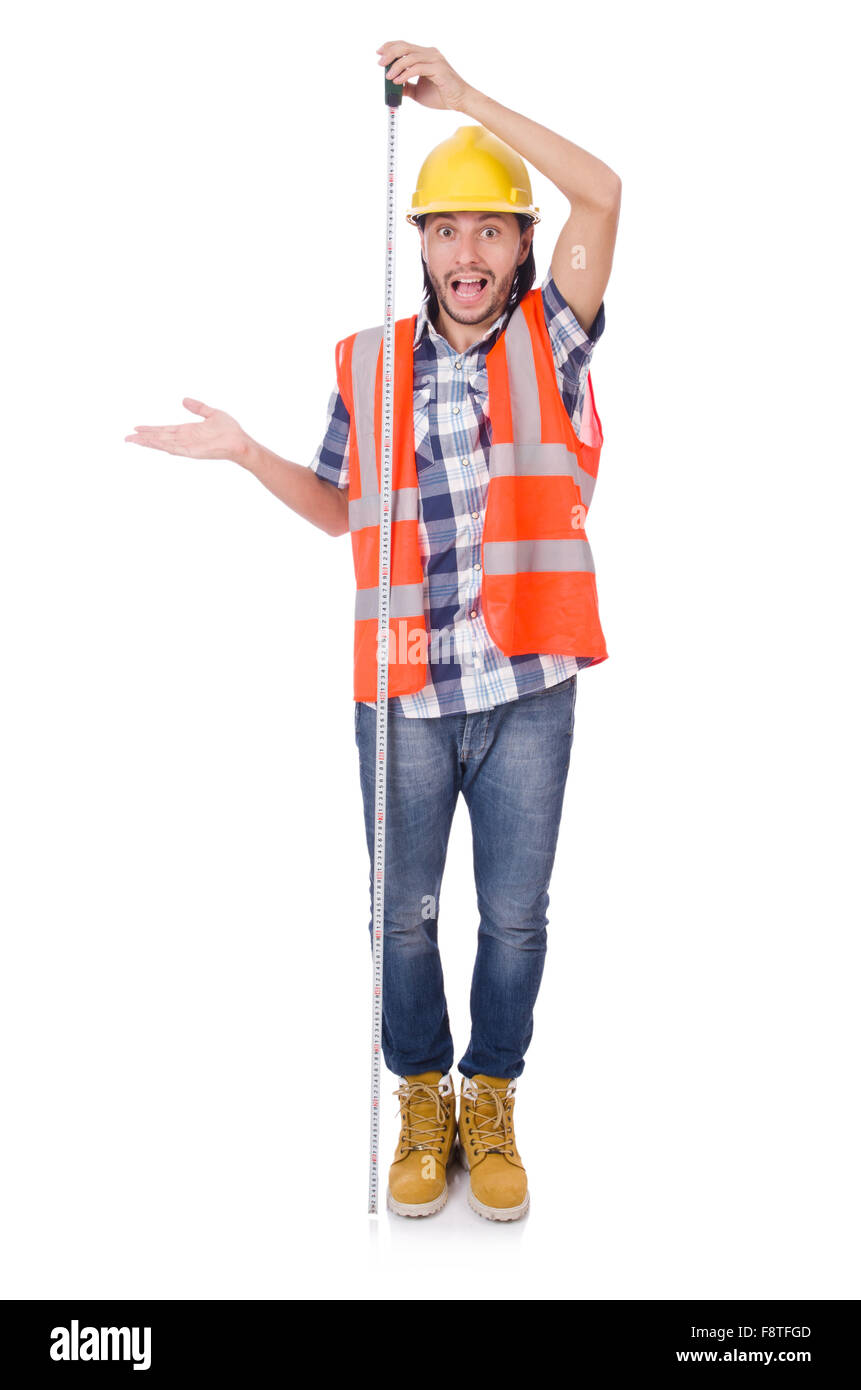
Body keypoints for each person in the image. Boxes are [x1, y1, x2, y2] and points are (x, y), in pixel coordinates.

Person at [125, 40, 621, 1224]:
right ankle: (422, 1098)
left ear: (518, 247)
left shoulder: (551, 340)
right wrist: (251, 458)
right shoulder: (368, 364)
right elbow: (344, 511)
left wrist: (464, 103)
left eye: (491, 230)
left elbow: (605, 192)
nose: (468, 252)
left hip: (529, 684)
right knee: (402, 914)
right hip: (400, 689)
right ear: (421, 246)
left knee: (514, 916)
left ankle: (489, 1093)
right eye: (446, 230)